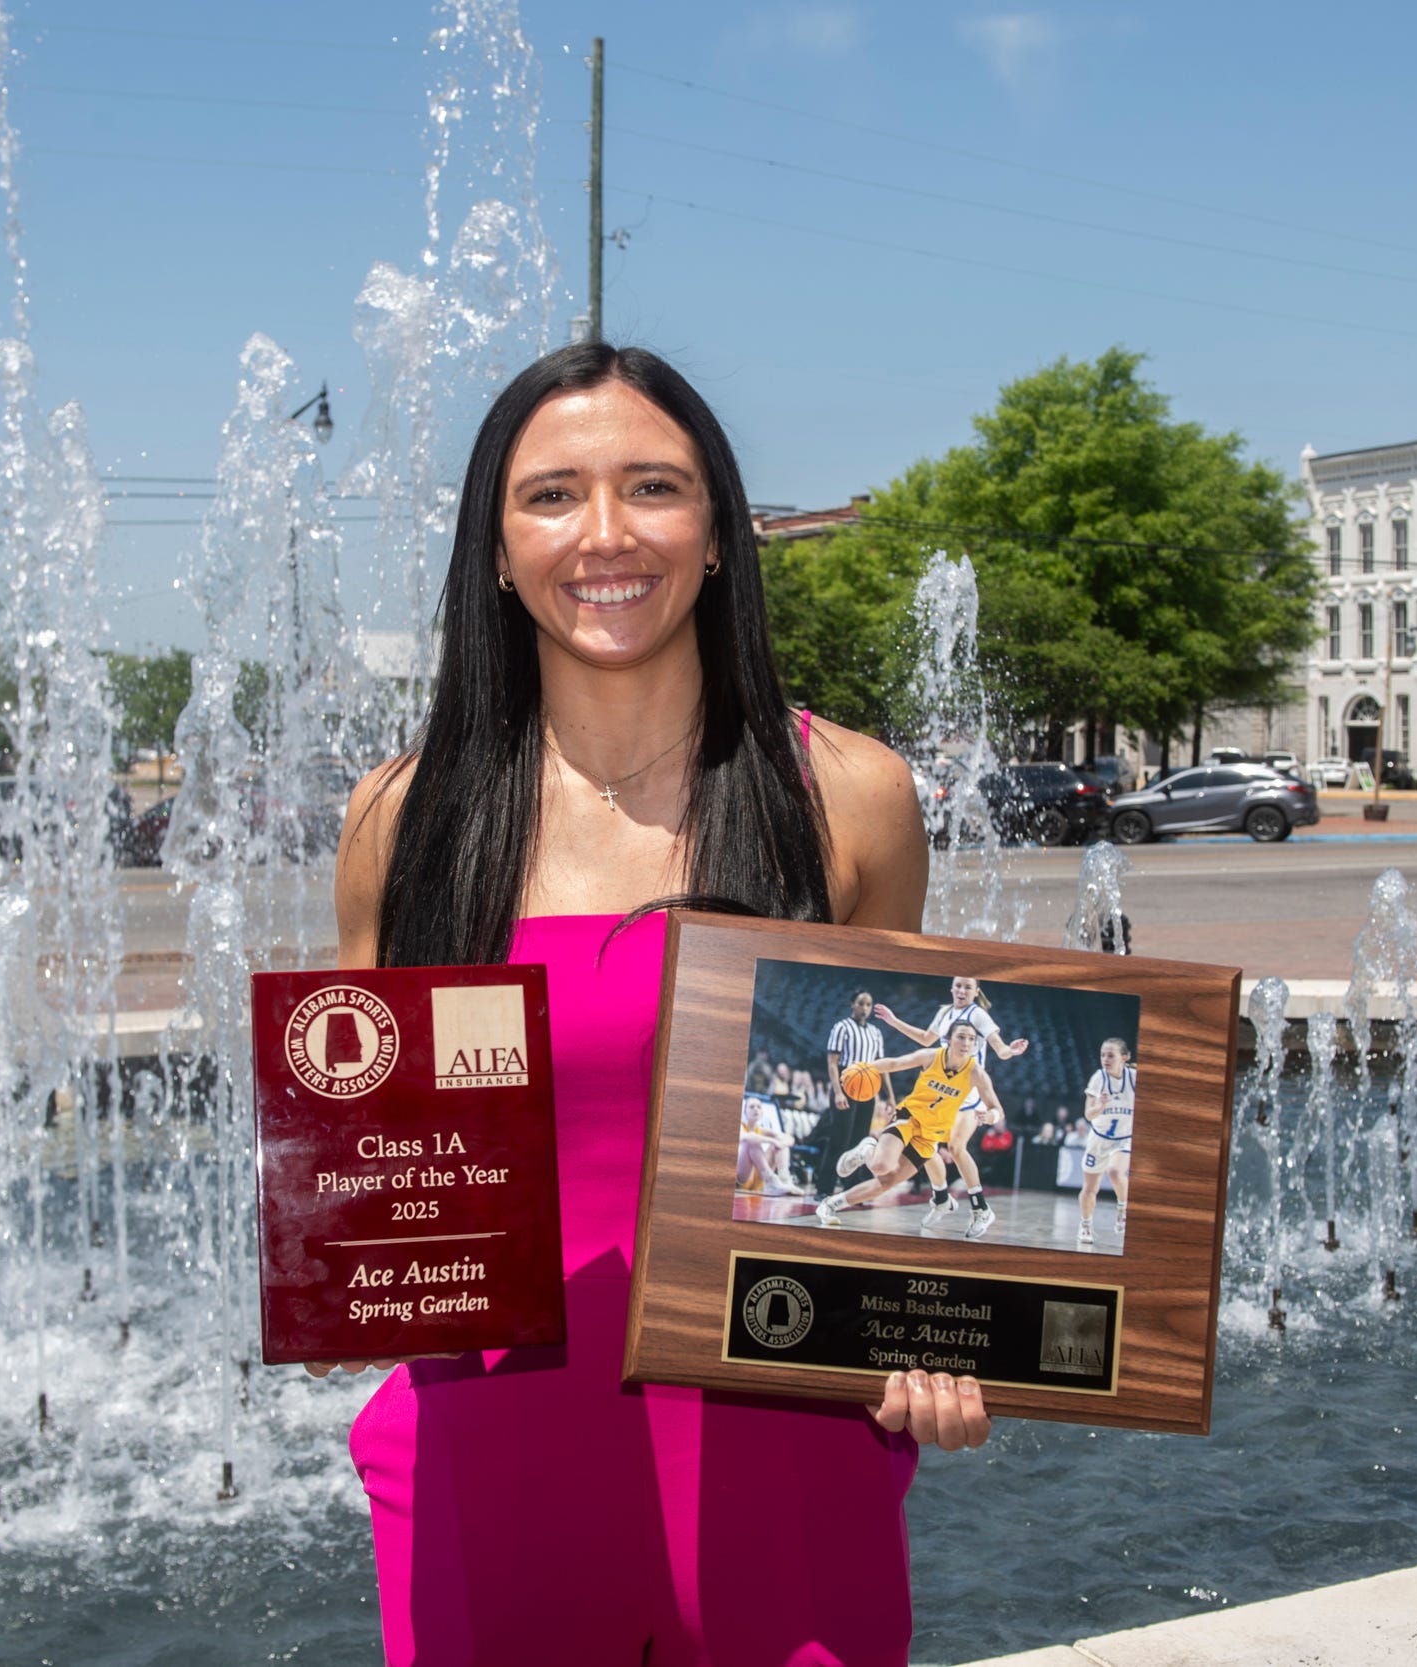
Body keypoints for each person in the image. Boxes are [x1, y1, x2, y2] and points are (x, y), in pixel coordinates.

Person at [326, 341, 991, 1664]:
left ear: (721, 536)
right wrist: (340, 1242)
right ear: (497, 547)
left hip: (786, 1449)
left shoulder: (846, 794)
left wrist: (945, 1326)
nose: (608, 533)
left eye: (655, 486)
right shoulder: (406, 817)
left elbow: (910, 1140)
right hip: (486, 1456)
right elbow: (367, 1154)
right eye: (553, 494)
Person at [870, 976, 1029, 1238]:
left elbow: (999, 1048)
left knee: (956, 1147)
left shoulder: (977, 1014)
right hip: (941, 1092)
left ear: (976, 991)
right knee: (926, 1145)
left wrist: (1010, 1051)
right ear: (951, 988)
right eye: (958, 985)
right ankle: (942, 1197)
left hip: (966, 1095)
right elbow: (925, 1039)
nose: (962, 990)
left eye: (968, 987)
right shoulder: (944, 1012)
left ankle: (981, 1209)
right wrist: (893, 1021)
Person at [818, 1020, 1005, 1233]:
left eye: (971, 1039)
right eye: (961, 1036)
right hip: (909, 1117)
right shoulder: (932, 1056)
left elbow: (997, 1109)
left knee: (886, 1182)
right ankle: (868, 1149)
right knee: (881, 1166)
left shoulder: (976, 1073)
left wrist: (989, 1116)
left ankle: (831, 1204)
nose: (966, 1043)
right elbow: (895, 1063)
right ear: (948, 1039)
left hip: (930, 1134)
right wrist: (864, 1068)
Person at [1076, 1037, 1137, 1245]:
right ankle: (1085, 1224)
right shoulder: (1098, 1078)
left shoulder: (1135, 1078)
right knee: (1090, 1189)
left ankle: (1122, 1207)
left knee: (1114, 1172)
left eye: (1111, 1055)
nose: (1105, 1059)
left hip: (1124, 1139)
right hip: (1099, 1139)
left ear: (1124, 1058)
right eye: (1103, 1055)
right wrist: (1101, 1105)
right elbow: (1089, 1115)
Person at [827, 988, 895, 1142]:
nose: (865, 1008)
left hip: (868, 1086)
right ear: (852, 1004)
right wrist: (838, 1092)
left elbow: (883, 1068)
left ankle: (857, 1168)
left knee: (860, 1139)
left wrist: (890, 1096)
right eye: (861, 1003)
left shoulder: (876, 1032)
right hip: (847, 1081)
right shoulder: (842, 1027)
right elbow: (832, 1063)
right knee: (840, 1138)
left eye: (868, 1005)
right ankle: (830, 1167)